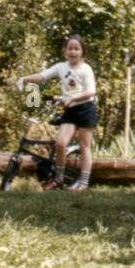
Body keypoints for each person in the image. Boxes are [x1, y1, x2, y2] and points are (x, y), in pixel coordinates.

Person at [17, 35, 97, 190]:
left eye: (76, 49)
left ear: (82, 52)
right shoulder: (61, 67)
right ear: (65, 51)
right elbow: (42, 76)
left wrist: (73, 98)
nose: (73, 52)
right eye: (70, 48)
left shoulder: (86, 69)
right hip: (70, 111)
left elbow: (91, 91)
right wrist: (25, 79)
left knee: (85, 146)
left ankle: (83, 182)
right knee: (60, 143)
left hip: (86, 110)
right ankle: (58, 179)